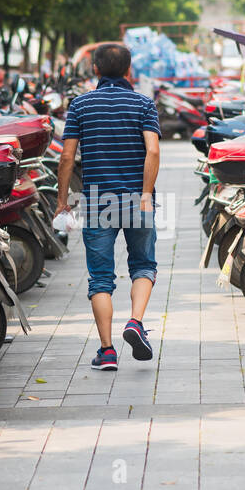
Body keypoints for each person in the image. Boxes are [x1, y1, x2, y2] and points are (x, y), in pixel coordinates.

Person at [56, 42, 161, 371]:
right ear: (129, 71)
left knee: (100, 279)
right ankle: (135, 322)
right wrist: (145, 193)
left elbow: (67, 156)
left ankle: (107, 351)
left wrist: (62, 201)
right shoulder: (144, 104)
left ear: (95, 70)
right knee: (143, 265)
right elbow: (154, 152)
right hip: (137, 199)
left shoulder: (81, 106)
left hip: (98, 201)